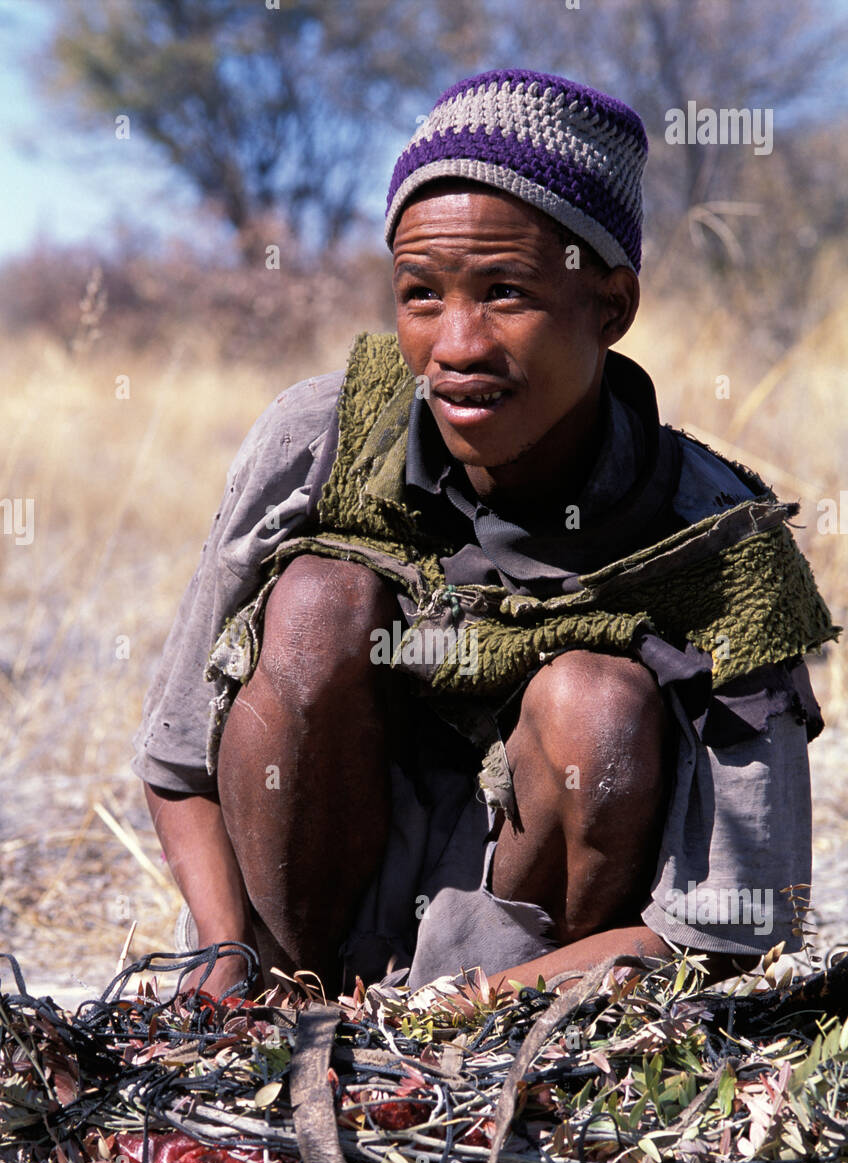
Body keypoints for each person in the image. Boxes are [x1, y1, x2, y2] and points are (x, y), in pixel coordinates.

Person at [131, 69, 836, 1002]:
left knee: (598, 705)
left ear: (611, 307)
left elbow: (743, 919)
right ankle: (294, 986)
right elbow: (177, 757)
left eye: (506, 293)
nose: (457, 344)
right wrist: (223, 954)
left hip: (532, 970)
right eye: (421, 294)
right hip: (304, 928)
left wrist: (465, 1013)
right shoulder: (319, 442)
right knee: (317, 602)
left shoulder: (722, 550)